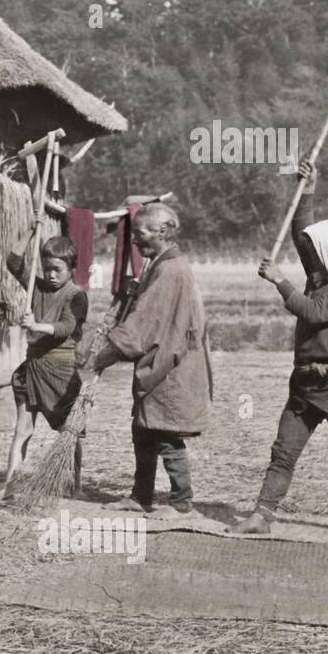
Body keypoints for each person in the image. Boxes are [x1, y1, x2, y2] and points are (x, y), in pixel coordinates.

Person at [237, 161, 328, 539]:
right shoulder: (323, 273)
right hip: (305, 382)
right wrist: (308, 190)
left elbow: (312, 311)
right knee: (283, 452)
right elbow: (302, 236)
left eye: (316, 251)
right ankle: (262, 517)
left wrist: (280, 280)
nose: (309, 255)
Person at [89, 202, 212, 513]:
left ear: (162, 232)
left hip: (170, 366)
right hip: (161, 362)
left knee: (166, 435)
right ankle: (140, 496)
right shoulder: (159, 265)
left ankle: (181, 502)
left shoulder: (170, 271)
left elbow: (143, 323)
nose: (134, 239)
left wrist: (107, 354)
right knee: (144, 430)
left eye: (139, 233)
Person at [5, 235, 90, 487]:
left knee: (69, 433)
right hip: (31, 368)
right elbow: (14, 262)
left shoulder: (76, 296)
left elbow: (66, 327)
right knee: (22, 429)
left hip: (60, 372)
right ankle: (9, 485)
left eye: (57, 269)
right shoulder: (37, 286)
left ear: (71, 267)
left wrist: (35, 326)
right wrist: (31, 230)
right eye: (47, 268)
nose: (51, 275)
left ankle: (75, 486)